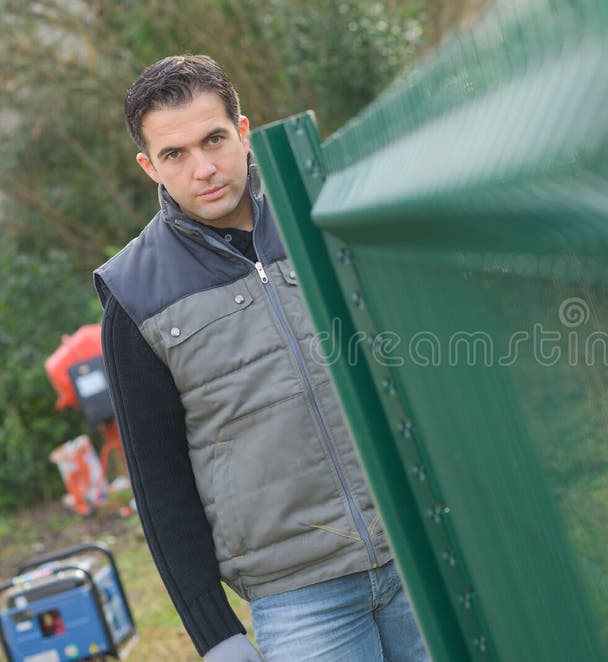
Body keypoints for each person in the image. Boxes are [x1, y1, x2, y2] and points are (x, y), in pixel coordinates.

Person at [96, 54, 428, 662]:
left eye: (215, 140)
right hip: (299, 601)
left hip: (421, 551)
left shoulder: (326, 216)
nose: (205, 169)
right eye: (175, 155)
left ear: (243, 131)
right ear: (150, 166)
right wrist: (216, 635)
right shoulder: (133, 295)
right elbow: (159, 483)